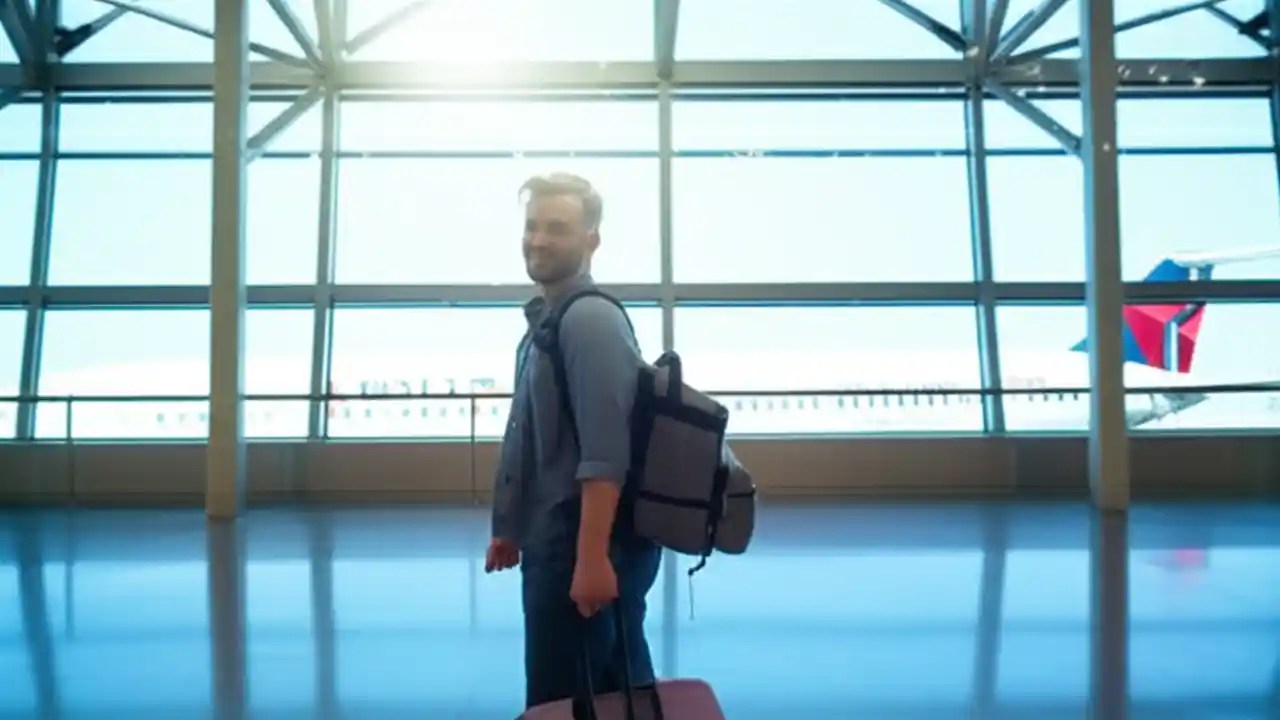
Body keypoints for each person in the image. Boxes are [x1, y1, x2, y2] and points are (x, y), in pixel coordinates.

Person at [485, 172, 662, 710]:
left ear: (591, 240)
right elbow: (535, 439)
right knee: (606, 689)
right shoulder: (546, 323)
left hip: (581, 548)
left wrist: (591, 560)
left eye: (557, 228)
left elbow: (605, 455)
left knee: (568, 698)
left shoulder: (590, 322)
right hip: (555, 541)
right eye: (532, 226)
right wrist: (512, 527)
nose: (538, 239)